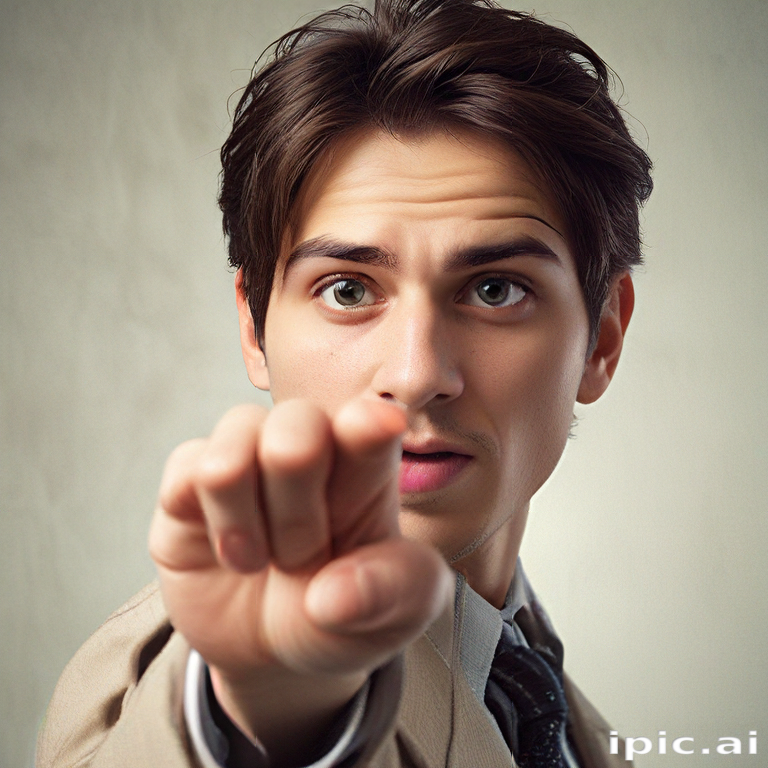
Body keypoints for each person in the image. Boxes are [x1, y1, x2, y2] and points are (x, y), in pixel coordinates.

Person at [37, 1, 652, 766]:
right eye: (348, 289)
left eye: (495, 289)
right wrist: (267, 713)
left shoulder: (540, 690)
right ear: (255, 330)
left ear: (604, 339)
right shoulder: (177, 670)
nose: (417, 373)